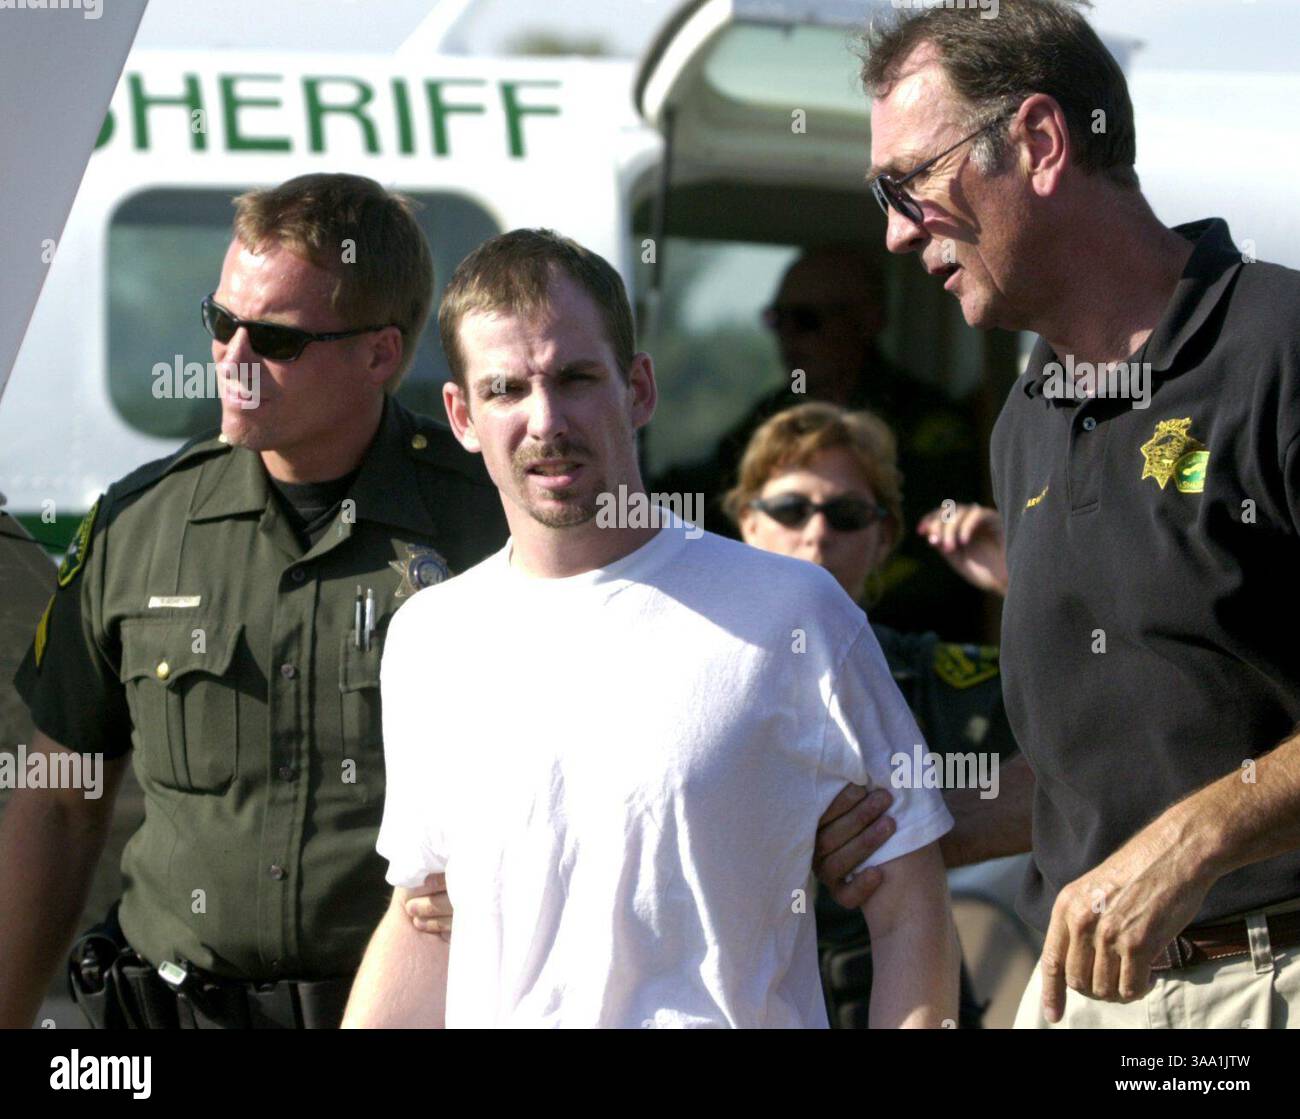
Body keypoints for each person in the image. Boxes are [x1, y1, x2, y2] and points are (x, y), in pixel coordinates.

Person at [342, 229, 961, 1029]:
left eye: (576, 378)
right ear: (460, 414)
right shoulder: (430, 637)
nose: (545, 419)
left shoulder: (795, 613)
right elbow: (425, 923)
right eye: (506, 389)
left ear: (638, 389)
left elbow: (910, 908)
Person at [829, 0, 1300, 1028]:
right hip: (1087, 999)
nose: (895, 233)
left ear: (1040, 143)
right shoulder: (1026, 420)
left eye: (906, 183)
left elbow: (1171, 824)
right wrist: (901, 825)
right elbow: (1100, 776)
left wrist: (1197, 840)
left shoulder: (1279, 349)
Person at [0, 173, 507, 1029]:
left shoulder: (488, 527)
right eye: (219, 321)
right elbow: (57, 798)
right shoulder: (140, 524)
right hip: (169, 1017)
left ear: (381, 354)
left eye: (273, 338)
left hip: (404, 1009)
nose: (232, 358)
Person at [725, 401, 1026, 1027]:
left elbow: (1103, 748)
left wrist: (1021, 581)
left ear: (883, 538)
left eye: (846, 513)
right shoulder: (692, 670)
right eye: (788, 509)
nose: (817, 532)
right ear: (746, 523)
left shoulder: (925, 675)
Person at [654, 245, 987, 638]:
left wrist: (837, 595)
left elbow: (939, 561)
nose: (789, 336)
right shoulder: (774, 413)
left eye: (807, 320)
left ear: (867, 322)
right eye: (777, 319)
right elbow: (709, 490)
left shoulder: (929, 423)